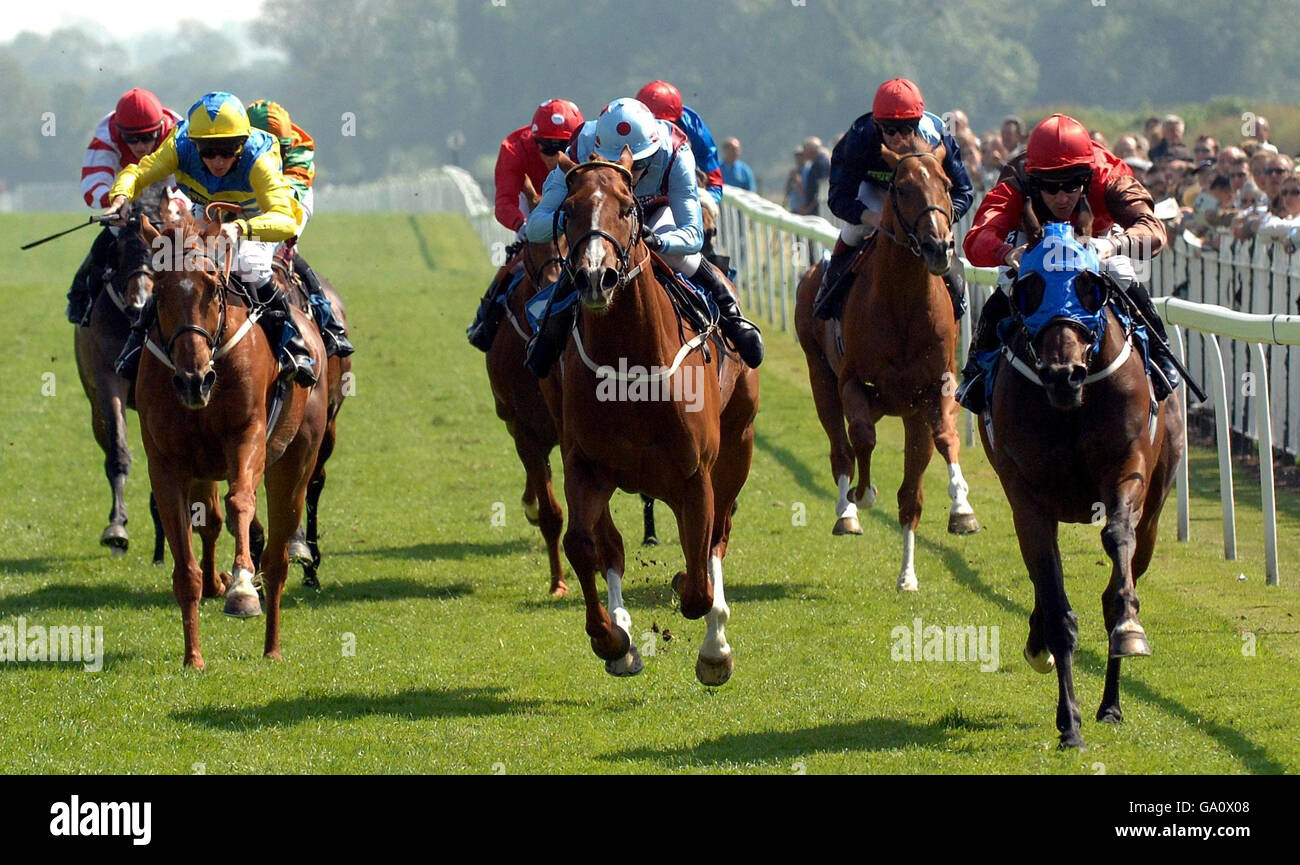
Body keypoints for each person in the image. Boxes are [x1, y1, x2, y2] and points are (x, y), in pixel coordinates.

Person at [523, 97, 763, 375]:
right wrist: (579, 219)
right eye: (617, 164)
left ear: (654, 149)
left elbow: (693, 235)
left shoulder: (675, 149)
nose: (631, 173)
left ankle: (731, 315)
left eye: (640, 163)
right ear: (599, 151)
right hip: (604, 219)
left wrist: (660, 242)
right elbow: (536, 226)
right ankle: (549, 336)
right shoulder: (581, 145)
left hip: (657, 215)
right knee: (584, 261)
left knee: (677, 254)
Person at [956, 113, 1180, 412]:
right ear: (1034, 179)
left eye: (1073, 184)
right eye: (1050, 186)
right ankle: (977, 368)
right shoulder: (1016, 178)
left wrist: (1112, 244)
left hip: (1095, 240)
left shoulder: (1108, 175)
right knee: (1008, 283)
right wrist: (1006, 253)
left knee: (1121, 272)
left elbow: (1153, 230)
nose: (1062, 197)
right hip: (1034, 241)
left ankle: (1160, 355)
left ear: (1087, 176)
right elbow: (976, 238)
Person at [103, 91, 317, 386]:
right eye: (209, 151)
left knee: (248, 263)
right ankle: (138, 340)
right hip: (211, 206)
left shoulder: (259, 160)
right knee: (173, 263)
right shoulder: (179, 147)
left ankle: (293, 345)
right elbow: (138, 172)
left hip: (256, 214)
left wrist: (242, 228)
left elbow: (284, 220)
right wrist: (121, 196)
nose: (218, 160)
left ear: (242, 144)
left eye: (228, 150)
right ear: (194, 145)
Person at [813, 77, 974, 321]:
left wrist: (944, 218)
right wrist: (873, 217)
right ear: (877, 124)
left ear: (918, 123)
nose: (898, 138)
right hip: (874, 192)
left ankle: (958, 299)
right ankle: (828, 290)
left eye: (907, 129)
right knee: (854, 230)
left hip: (922, 198)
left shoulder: (938, 135)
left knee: (940, 243)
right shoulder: (859, 137)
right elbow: (838, 197)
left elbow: (964, 191)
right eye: (889, 129)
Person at [467, 98, 584, 352]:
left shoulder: (586, 146)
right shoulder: (513, 148)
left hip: (569, 201)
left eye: (563, 147)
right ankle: (484, 317)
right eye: (547, 148)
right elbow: (504, 202)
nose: (556, 157)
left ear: (574, 143)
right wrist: (523, 227)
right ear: (534, 141)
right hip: (529, 205)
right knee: (519, 260)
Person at [246, 98, 353, 358]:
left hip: (290, 200)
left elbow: (282, 212)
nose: (270, 157)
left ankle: (328, 324)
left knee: (270, 249)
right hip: (249, 198)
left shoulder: (298, 156)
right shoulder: (231, 147)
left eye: (277, 150)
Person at [67, 88, 182, 325]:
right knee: (108, 240)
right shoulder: (106, 137)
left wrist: (175, 204)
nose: (140, 146)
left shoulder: (179, 135)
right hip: (125, 200)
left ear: (161, 129)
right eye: (131, 139)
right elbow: (93, 182)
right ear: (120, 133)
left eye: (148, 137)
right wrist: (114, 204)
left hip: (167, 195)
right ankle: (81, 293)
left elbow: (190, 182)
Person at [635, 81, 724, 207]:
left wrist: (708, 201)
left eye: (667, 123)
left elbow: (713, 177)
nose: (662, 130)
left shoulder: (694, 128)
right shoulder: (629, 126)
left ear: (677, 119)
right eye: (657, 124)